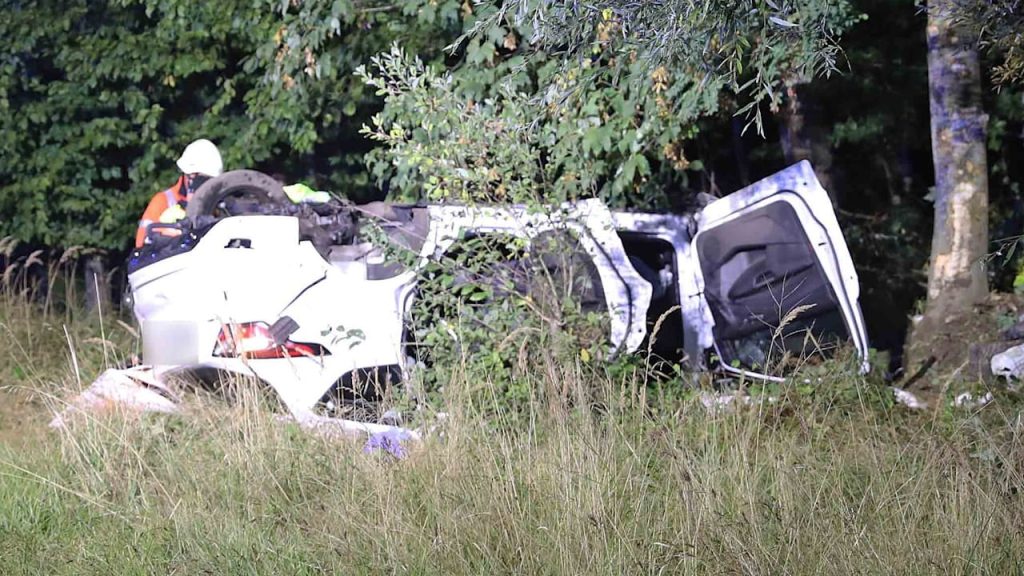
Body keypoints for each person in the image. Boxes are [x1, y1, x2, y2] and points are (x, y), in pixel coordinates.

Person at [134, 138, 224, 248]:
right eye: (202, 180)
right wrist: (170, 234)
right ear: (191, 176)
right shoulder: (163, 201)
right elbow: (142, 242)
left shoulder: (221, 204)